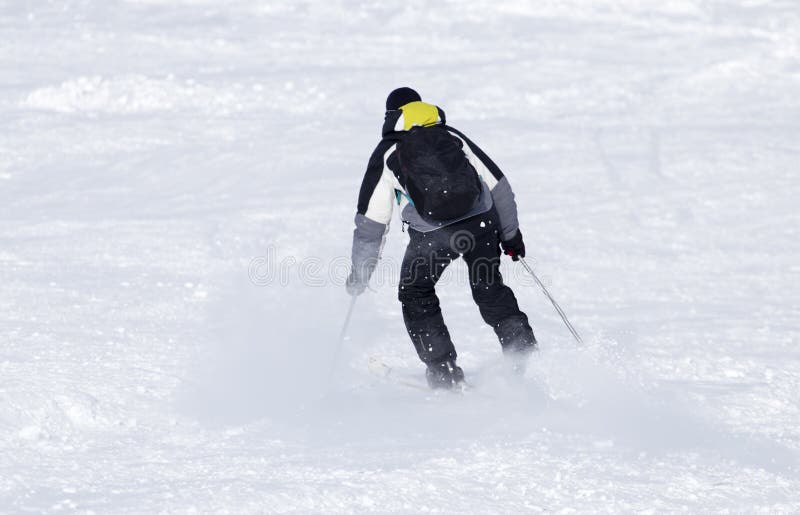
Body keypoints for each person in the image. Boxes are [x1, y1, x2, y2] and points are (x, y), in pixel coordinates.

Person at [346, 87, 537, 389]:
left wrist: (360, 273)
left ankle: (443, 372)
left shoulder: (387, 152)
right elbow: (499, 185)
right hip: (480, 222)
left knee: (416, 292)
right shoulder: (451, 136)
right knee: (489, 288)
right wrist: (510, 236)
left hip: (436, 235)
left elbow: (372, 223)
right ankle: (523, 353)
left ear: (390, 116)